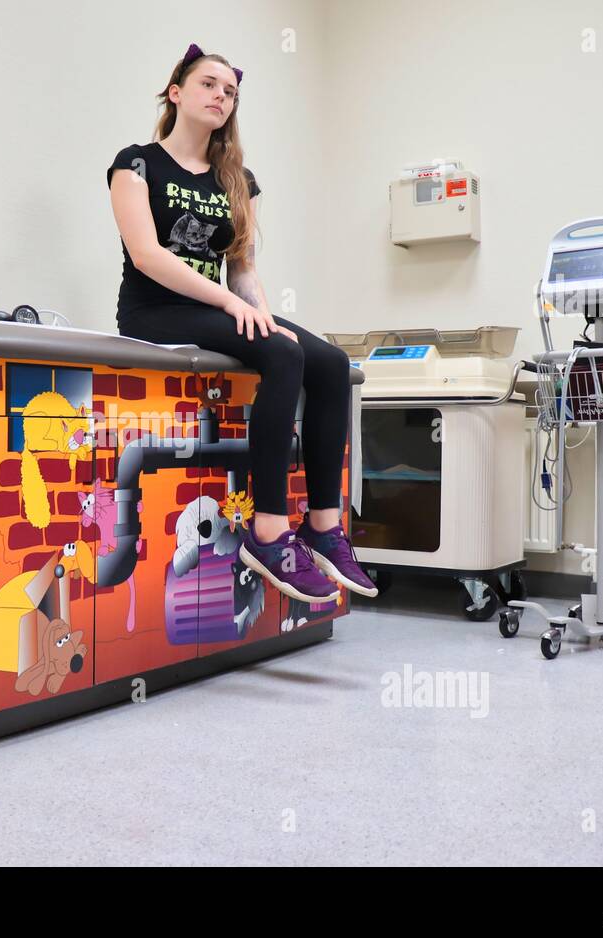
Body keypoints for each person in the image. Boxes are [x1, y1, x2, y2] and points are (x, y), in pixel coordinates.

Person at [106, 43, 376, 604]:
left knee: (326, 361)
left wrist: (260, 312)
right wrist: (235, 308)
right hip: (153, 311)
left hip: (211, 308)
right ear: (176, 92)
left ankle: (324, 526)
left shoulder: (238, 179)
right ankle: (269, 532)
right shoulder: (136, 164)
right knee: (282, 355)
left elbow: (243, 271)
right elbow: (150, 255)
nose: (220, 97)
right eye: (209, 85)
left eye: (229, 91)